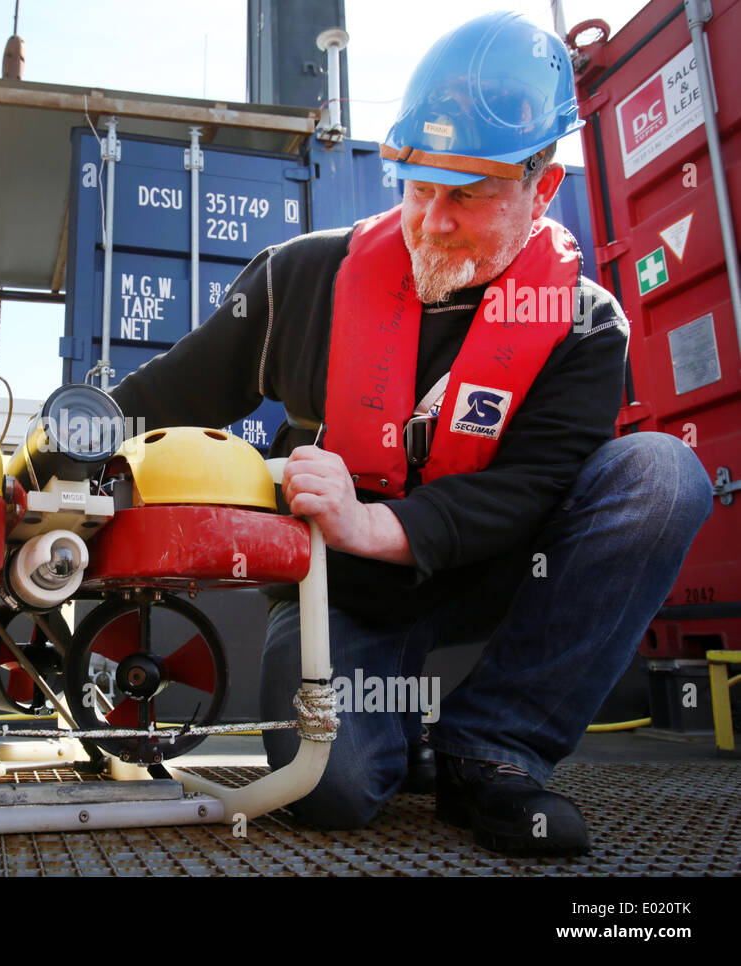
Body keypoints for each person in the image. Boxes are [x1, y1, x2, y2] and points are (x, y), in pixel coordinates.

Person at [109, 13, 713, 855]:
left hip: (494, 589)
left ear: (542, 189)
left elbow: (532, 487)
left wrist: (373, 522)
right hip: (340, 597)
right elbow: (165, 396)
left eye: (466, 195)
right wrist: (62, 446)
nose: (432, 221)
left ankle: (492, 749)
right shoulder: (301, 278)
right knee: (333, 789)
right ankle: (398, 741)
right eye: (419, 186)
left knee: (661, 474)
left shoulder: (582, 326)